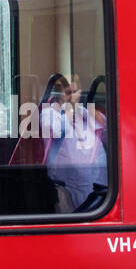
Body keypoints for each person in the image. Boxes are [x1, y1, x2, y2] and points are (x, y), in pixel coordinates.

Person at [39, 74, 107, 212]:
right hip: (70, 187)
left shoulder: (85, 112)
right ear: (58, 94)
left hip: (98, 186)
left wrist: (98, 116)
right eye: (68, 93)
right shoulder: (49, 114)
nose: (73, 97)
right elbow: (57, 131)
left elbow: (104, 128)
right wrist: (71, 109)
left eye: (76, 92)